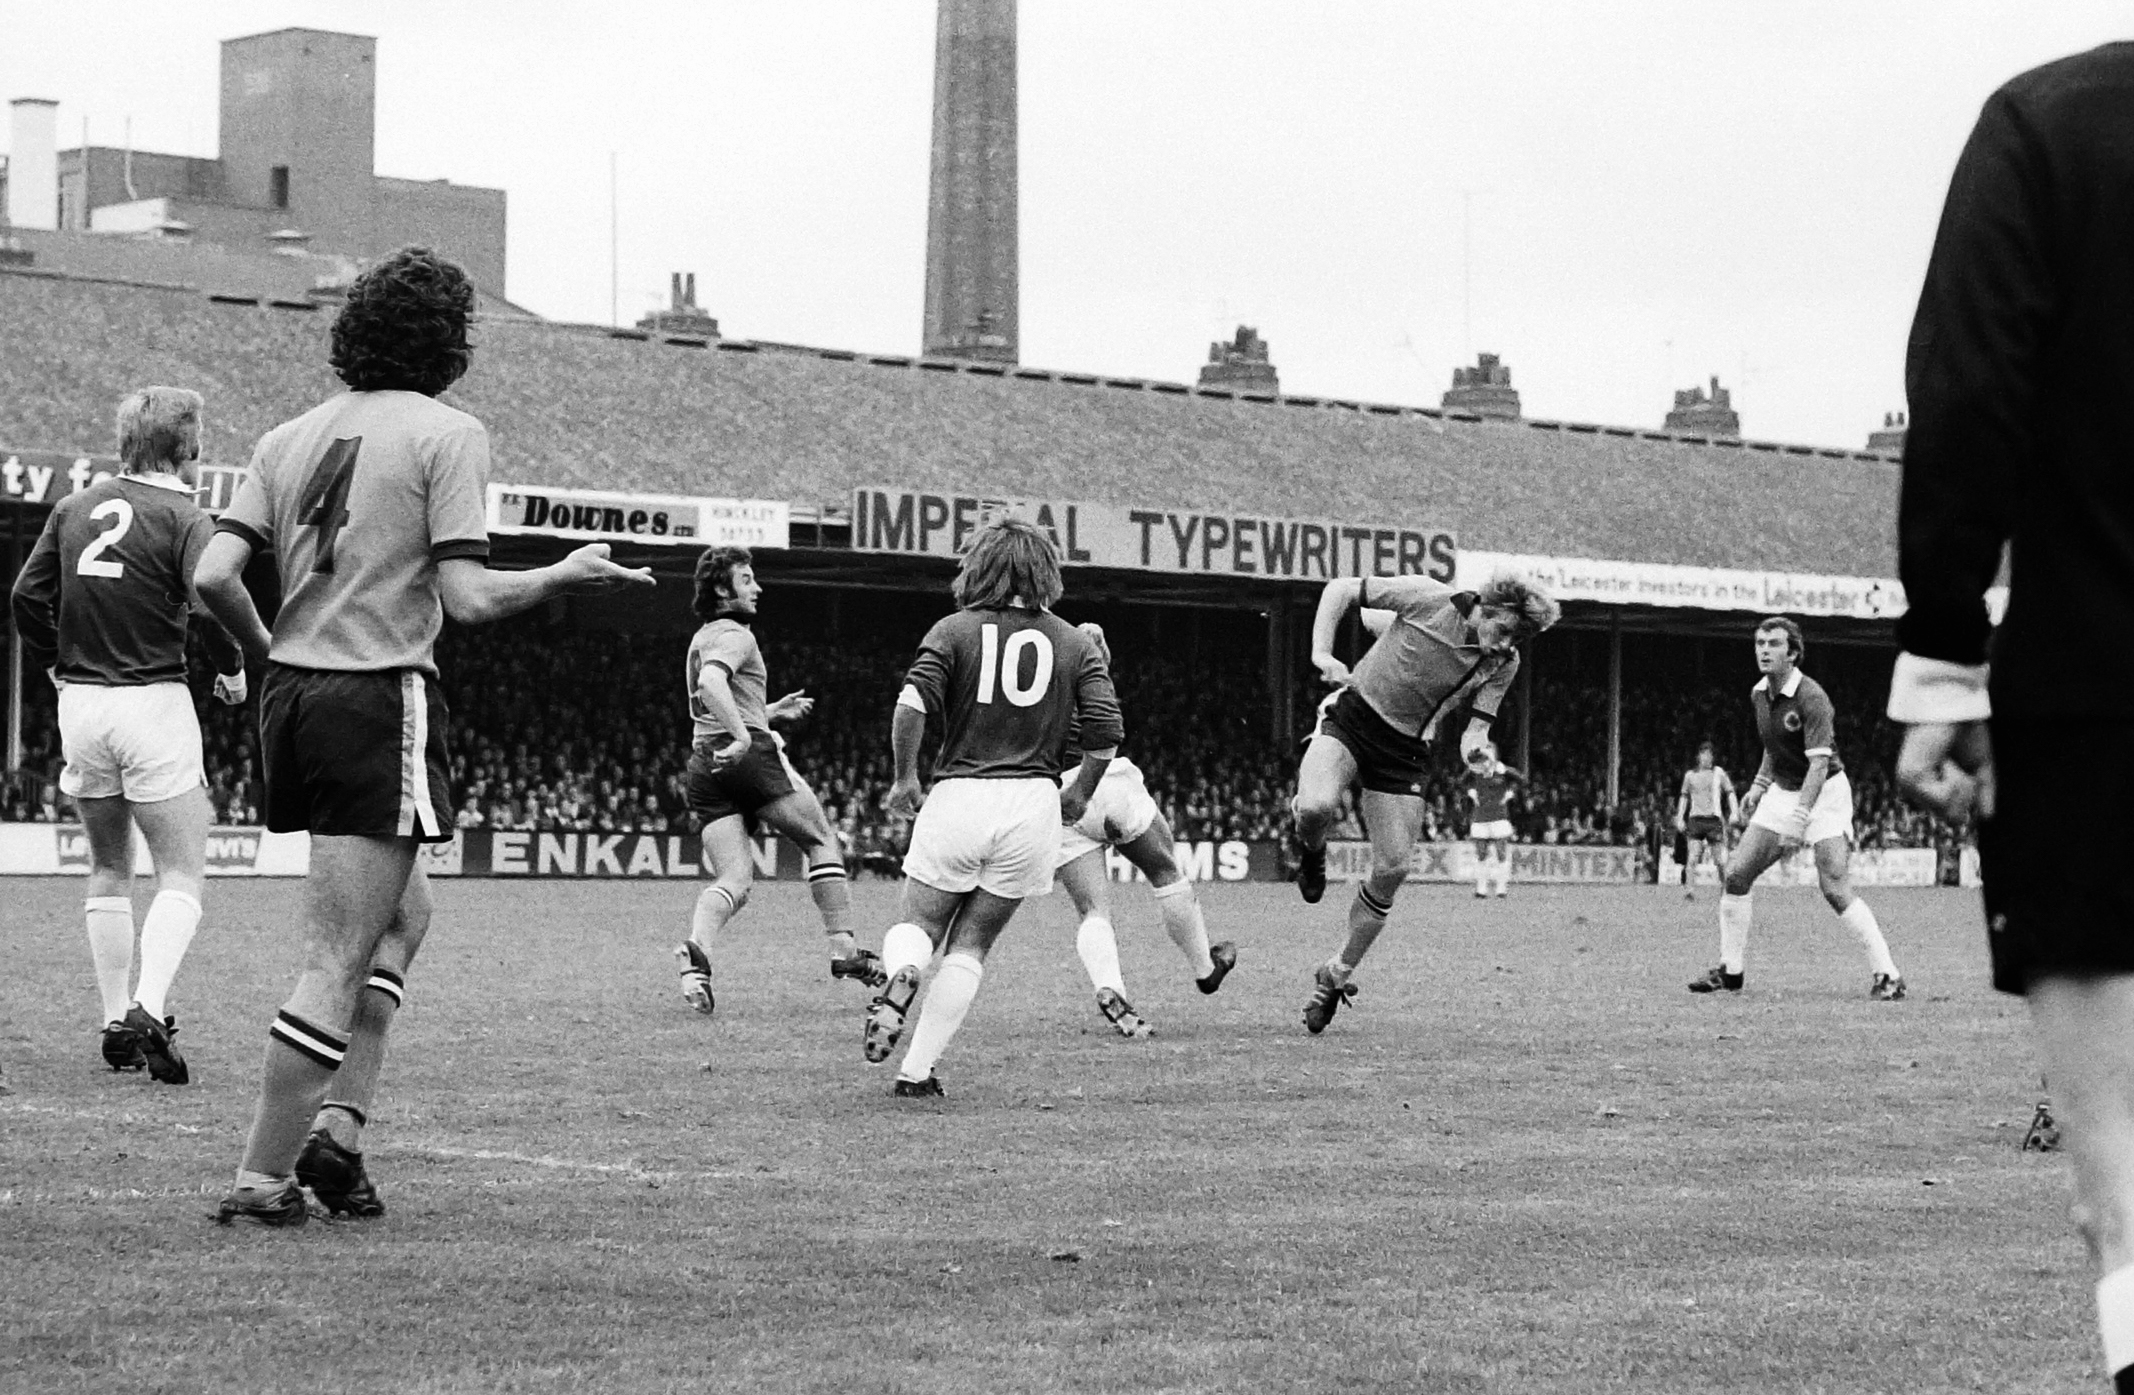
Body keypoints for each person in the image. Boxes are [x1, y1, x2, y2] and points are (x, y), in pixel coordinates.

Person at [192, 246, 652, 1228]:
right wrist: (566, 575)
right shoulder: (448, 434)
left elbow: (212, 578)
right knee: (336, 953)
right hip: (378, 697)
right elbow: (469, 598)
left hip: (298, 701)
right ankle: (261, 1179)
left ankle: (339, 1136)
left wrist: (271, 652)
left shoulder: (287, 438)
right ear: (451, 343)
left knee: (404, 918)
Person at [1887, 44, 2134, 1392]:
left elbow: (1968, 396)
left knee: (2128, 1208)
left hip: (2098, 710)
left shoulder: (2045, 126)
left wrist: (1940, 658)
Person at [9, 386, 252, 1085]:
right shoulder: (185, 516)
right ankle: (149, 1006)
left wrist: (56, 663)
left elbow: (27, 597)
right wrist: (233, 669)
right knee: (181, 868)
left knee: (109, 865)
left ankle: (115, 1019)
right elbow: (211, 602)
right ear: (184, 449)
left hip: (81, 705)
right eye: (199, 441)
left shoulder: (72, 508)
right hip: (152, 700)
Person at [862, 518, 1121, 1097]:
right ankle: (916, 1073)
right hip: (1033, 806)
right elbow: (1106, 730)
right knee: (972, 945)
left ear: (978, 567)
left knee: (918, 926)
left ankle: (904, 972)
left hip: (960, 795)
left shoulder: (954, 629)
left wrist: (906, 778)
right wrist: (1078, 794)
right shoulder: (1074, 641)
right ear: (1046, 573)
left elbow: (911, 703)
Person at [1288, 572, 1560, 1034]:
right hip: (1353, 717)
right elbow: (1340, 590)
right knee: (1315, 807)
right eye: (1506, 632)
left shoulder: (1504, 662)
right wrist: (1322, 654)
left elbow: (1477, 727)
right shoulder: (1427, 597)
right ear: (1490, 608)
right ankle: (1312, 852)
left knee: (1393, 868)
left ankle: (1335, 973)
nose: (1505, 646)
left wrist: (1474, 747)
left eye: (1518, 641)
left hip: (1404, 752)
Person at [674, 545, 884, 1014]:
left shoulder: (703, 635)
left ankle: (695, 954)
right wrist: (747, 736)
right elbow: (712, 684)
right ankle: (845, 951)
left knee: (735, 878)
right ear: (722, 588)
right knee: (821, 840)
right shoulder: (736, 635)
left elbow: (711, 701)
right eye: (746, 579)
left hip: (705, 764)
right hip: (747, 757)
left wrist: (768, 713)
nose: (757, 587)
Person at [1688, 617, 1903, 1000]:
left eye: (1772, 643)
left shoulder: (1812, 698)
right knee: (1736, 875)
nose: (1763, 650)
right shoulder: (1759, 693)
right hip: (1784, 791)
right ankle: (1730, 971)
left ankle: (1888, 975)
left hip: (1825, 795)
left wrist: (1799, 819)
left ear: (1793, 652)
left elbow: (1819, 764)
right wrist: (1758, 786)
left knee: (1834, 888)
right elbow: (1775, 748)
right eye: (1758, 643)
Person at [1050, 621, 1236, 1038]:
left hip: (1058, 793)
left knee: (1093, 911)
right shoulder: (1088, 664)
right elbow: (1105, 717)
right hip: (1103, 779)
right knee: (1166, 872)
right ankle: (1206, 968)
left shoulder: (1031, 674)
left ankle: (1111, 989)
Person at [1675, 741, 1738, 901]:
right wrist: (1680, 817)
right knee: (1692, 858)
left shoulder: (1718, 773)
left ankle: (1726, 890)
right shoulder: (1690, 776)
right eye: (1704, 755)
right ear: (1699, 757)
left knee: (1720, 861)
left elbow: (1730, 792)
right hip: (1695, 820)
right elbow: (1684, 797)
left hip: (1713, 820)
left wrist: (1734, 812)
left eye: (1709, 755)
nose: (1706, 758)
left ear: (1712, 758)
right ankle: (1689, 891)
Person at [1459, 742, 1521, 898]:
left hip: (1499, 816)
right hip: (1480, 817)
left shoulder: (1501, 770)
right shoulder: (1476, 771)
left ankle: (1501, 889)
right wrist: (1470, 789)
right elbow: (1460, 782)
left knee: (1501, 853)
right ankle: (1481, 889)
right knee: (1481, 854)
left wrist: (1510, 789)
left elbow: (1522, 779)